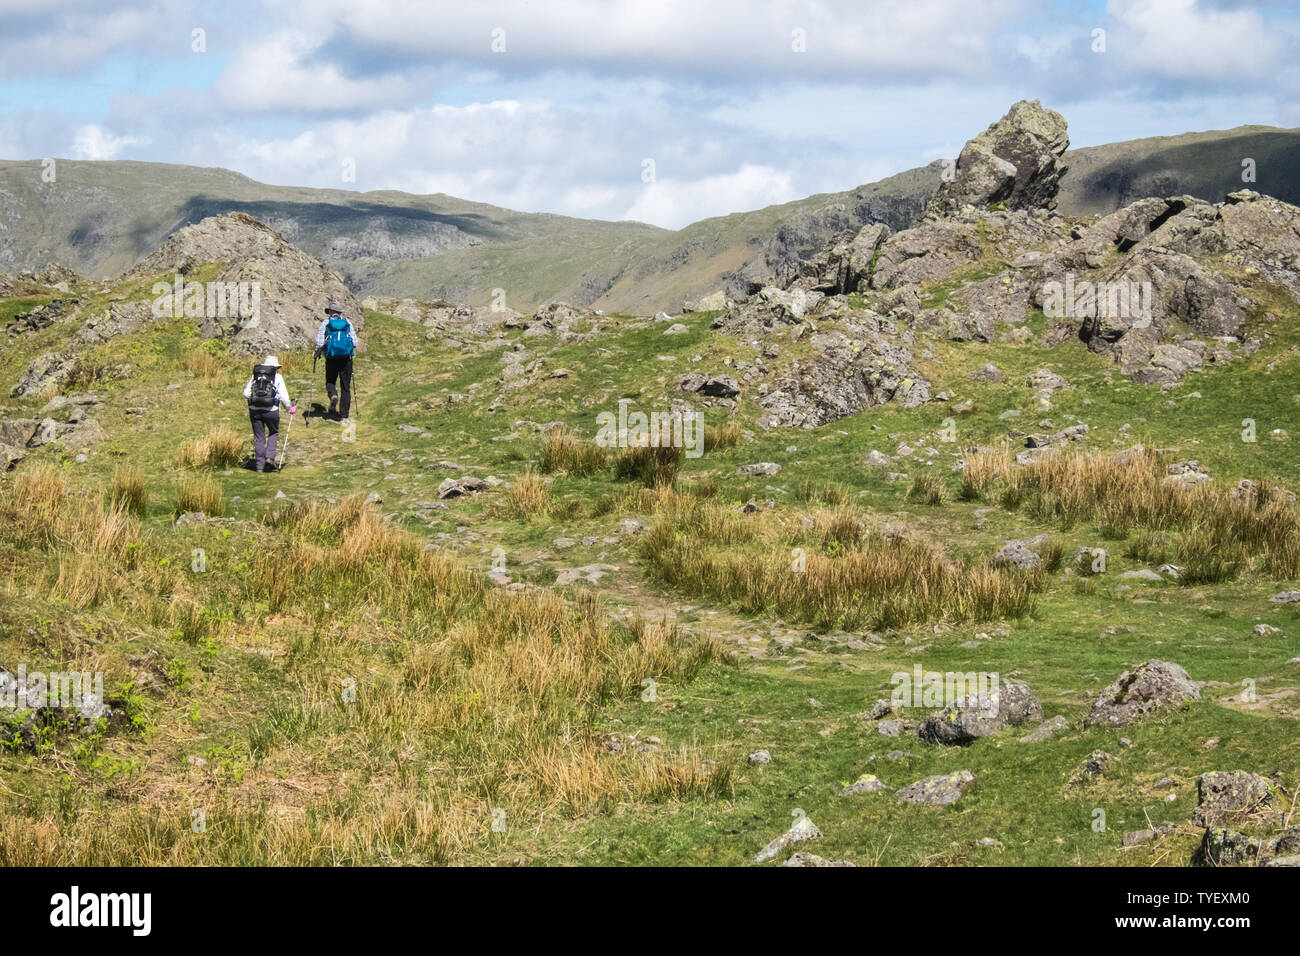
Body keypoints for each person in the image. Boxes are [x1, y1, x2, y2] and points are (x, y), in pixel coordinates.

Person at [242, 354, 295, 472]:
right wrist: (289, 408)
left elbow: (245, 393)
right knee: (273, 432)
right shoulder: (278, 377)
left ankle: (259, 467)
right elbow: (284, 397)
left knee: (259, 437)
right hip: (271, 410)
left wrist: (256, 399)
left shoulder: (255, 376)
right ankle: (270, 459)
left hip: (254, 410)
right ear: (275, 367)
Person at [315, 299, 359, 421]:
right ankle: (344, 415)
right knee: (345, 386)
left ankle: (333, 395)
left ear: (330, 312)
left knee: (330, 381)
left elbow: (319, 342)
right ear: (340, 312)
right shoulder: (347, 323)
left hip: (331, 357)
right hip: (346, 359)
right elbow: (355, 342)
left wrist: (317, 352)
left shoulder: (326, 322)